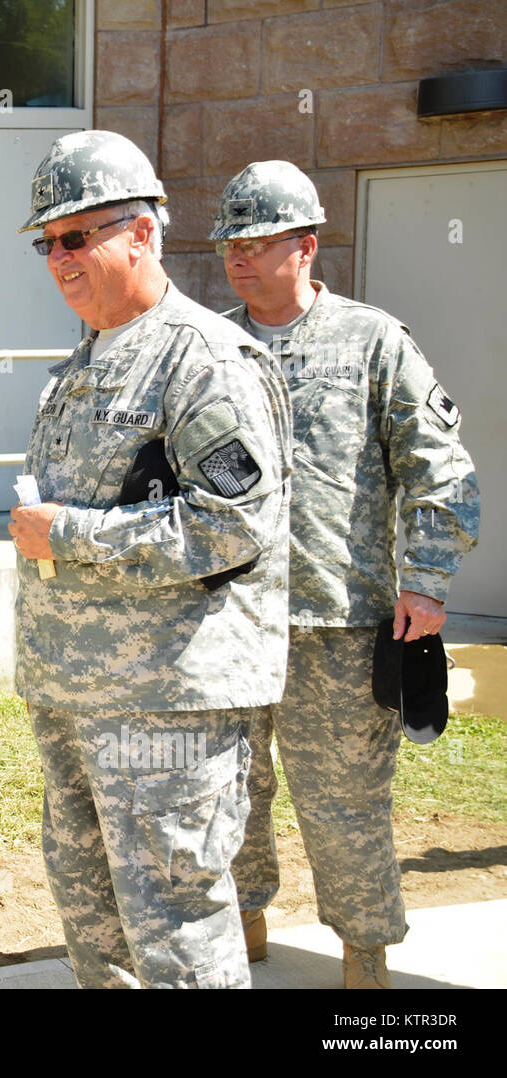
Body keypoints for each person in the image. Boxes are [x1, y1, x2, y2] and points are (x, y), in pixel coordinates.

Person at [8, 130, 293, 989]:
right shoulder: (89, 360)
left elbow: (237, 523)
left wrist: (71, 534)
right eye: (46, 242)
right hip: (77, 692)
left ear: (143, 233)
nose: (59, 259)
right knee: (95, 927)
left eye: (77, 236)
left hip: (167, 704)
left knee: (175, 929)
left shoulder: (201, 359)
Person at [210, 160, 479, 988]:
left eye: (259, 243)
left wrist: (426, 580)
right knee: (228, 795)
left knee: (345, 807)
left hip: (340, 624)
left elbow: (438, 465)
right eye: (231, 244)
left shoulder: (371, 341)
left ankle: (365, 957)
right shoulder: (212, 346)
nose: (240, 259)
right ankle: (245, 923)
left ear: (307, 246)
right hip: (227, 623)